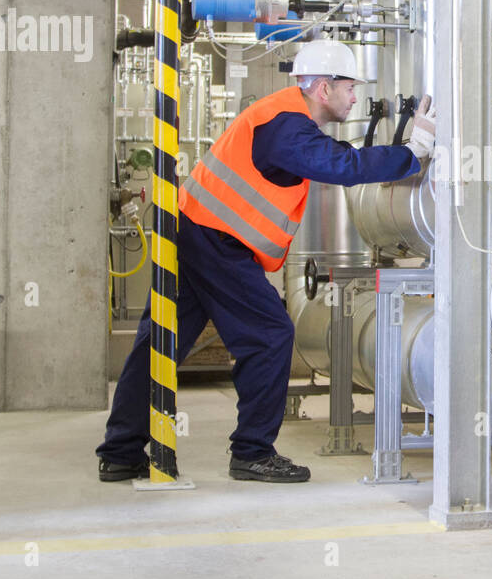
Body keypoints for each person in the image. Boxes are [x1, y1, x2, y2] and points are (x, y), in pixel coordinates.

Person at [96, 39, 436, 482]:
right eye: (349, 88)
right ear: (323, 88)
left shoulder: (285, 116)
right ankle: (253, 451)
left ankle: (121, 451)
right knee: (271, 334)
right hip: (215, 238)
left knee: (161, 338)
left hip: (199, 231)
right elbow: (343, 166)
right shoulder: (286, 124)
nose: (355, 98)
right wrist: (414, 152)